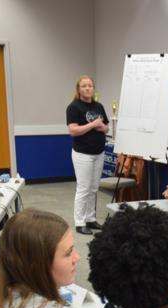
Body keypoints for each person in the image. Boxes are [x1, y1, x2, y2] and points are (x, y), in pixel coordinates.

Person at [66, 75, 108, 235]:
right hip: (82, 154)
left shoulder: (99, 106)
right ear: (78, 89)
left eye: (90, 85)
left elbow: (106, 127)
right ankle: (80, 222)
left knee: (94, 188)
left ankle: (90, 218)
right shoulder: (74, 107)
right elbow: (73, 130)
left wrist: (103, 128)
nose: (87, 88)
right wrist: (92, 125)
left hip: (99, 153)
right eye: (84, 86)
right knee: (83, 188)